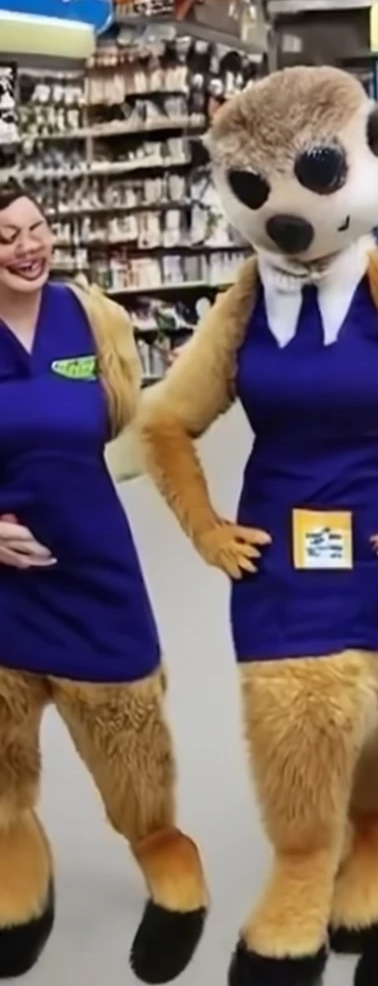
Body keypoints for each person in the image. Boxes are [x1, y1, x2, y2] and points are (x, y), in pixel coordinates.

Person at [0, 184, 208, 984]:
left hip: (93, 576)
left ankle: (168, 861)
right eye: (7, 235)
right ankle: (16, 874)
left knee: (133, 749)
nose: (28, 246)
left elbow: (115, 419)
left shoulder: (93, 321)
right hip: (1, 599)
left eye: (37, 228)